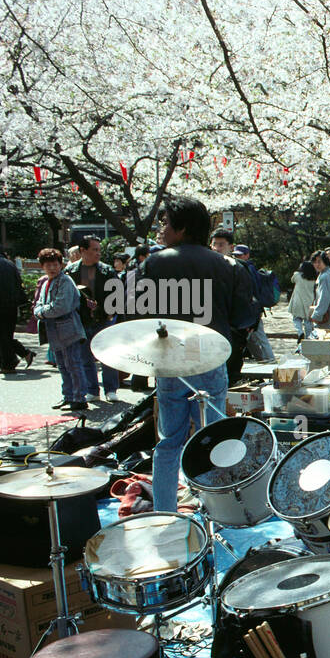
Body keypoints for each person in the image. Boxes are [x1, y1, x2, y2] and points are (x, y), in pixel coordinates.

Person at [141, 196, 250, 513]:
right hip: (210, 355)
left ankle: (164, 511)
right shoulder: (224, 264)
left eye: (166, 223)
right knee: (214, 440)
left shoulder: (156, 262)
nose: (163, 229)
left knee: (169, 441)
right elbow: (243, 316)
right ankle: (218, 510)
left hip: (170, 359)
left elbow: (138, 314)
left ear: (182, 227)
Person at [32, 248, 88, 411]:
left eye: (55, 264)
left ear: (61, 265)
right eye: (48, 265)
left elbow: (60, 306)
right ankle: (68, 396)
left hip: (69, 329)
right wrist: (40, 310)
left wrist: (41, 312)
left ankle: (79, 398)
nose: (52, 268)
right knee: (62, 365)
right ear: (42, 266)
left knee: (73, 364)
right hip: (54, 330)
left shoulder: (65, 281)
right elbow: (38, 303)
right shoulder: (46, 282)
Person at [65, 235, 121, 401]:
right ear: (83, 251)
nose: (98, 253)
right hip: (81, 319)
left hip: (103, 318)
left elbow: (117, 293)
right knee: (85, 356)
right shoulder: (70, 271)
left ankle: (111, 389)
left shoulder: (107, 270)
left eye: (99, 250)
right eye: (94, 249)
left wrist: (111, 312)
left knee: (107, 356)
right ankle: (92, 390)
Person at [208, 228, 259, 381]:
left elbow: (249, 297)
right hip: (210, 326)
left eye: (221, 244)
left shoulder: (239, 267)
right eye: (214, 244)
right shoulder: (205, 267)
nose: (217, 248)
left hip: (233, 329)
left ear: (231, 247)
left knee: (231, 373)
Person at [0, 237, 33, 373]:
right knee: (6, 334)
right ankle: (13, 358)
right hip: (12, 305)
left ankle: (9, 362)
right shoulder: (9, 264)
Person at [233, 244, 275, 361]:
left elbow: (253, 291)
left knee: (260, 337)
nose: (237, 257)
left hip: (253, 310)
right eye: (235, 255)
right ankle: (263, 361)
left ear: (247, 255)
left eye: (240, 255)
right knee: (251, 340)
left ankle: (271, 361)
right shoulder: (245, 268)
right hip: (251, 310)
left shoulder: (247, 269)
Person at [289, 260, 318, 339]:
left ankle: (300, 332)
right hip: (309, 301)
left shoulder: (297, 275)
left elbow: (292, 280)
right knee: (308, 320)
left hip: (298, 301)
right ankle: (308, 337)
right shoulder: (314, 278)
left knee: (296, 319)